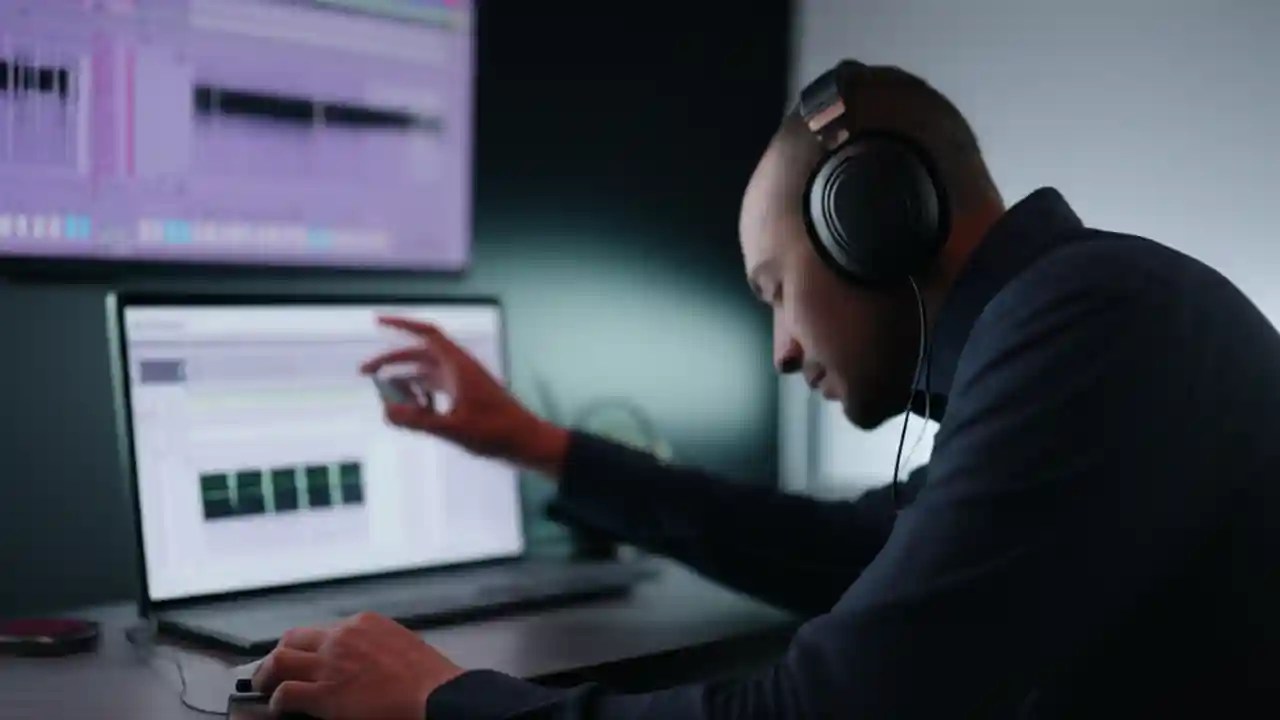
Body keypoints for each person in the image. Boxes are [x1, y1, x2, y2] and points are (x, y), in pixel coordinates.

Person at [250, 60, 1280, 718]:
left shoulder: (1084, 323)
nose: (782, 350)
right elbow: (851, 551)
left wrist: (443, 698)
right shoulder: (1081, 317)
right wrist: (537, 444)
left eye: (773, 291)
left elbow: (825, 710)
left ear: (867, 220)